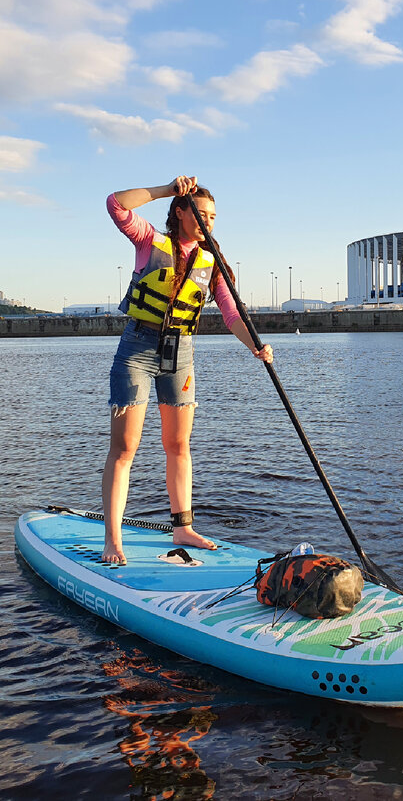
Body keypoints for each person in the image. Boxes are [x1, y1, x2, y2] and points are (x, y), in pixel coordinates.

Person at [102, 176, 273, 564]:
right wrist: (167, 188)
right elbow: (116, 203)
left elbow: (233, 315)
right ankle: (113, 538)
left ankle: (183, 526)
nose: (208, 222)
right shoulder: (149, 241)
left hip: (181, 355)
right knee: (125, 448)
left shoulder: (210, 263)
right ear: (181, 212)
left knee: (179, 445)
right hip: (138, 349)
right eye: (201, 213)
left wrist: (256, 347)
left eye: (213, 217)